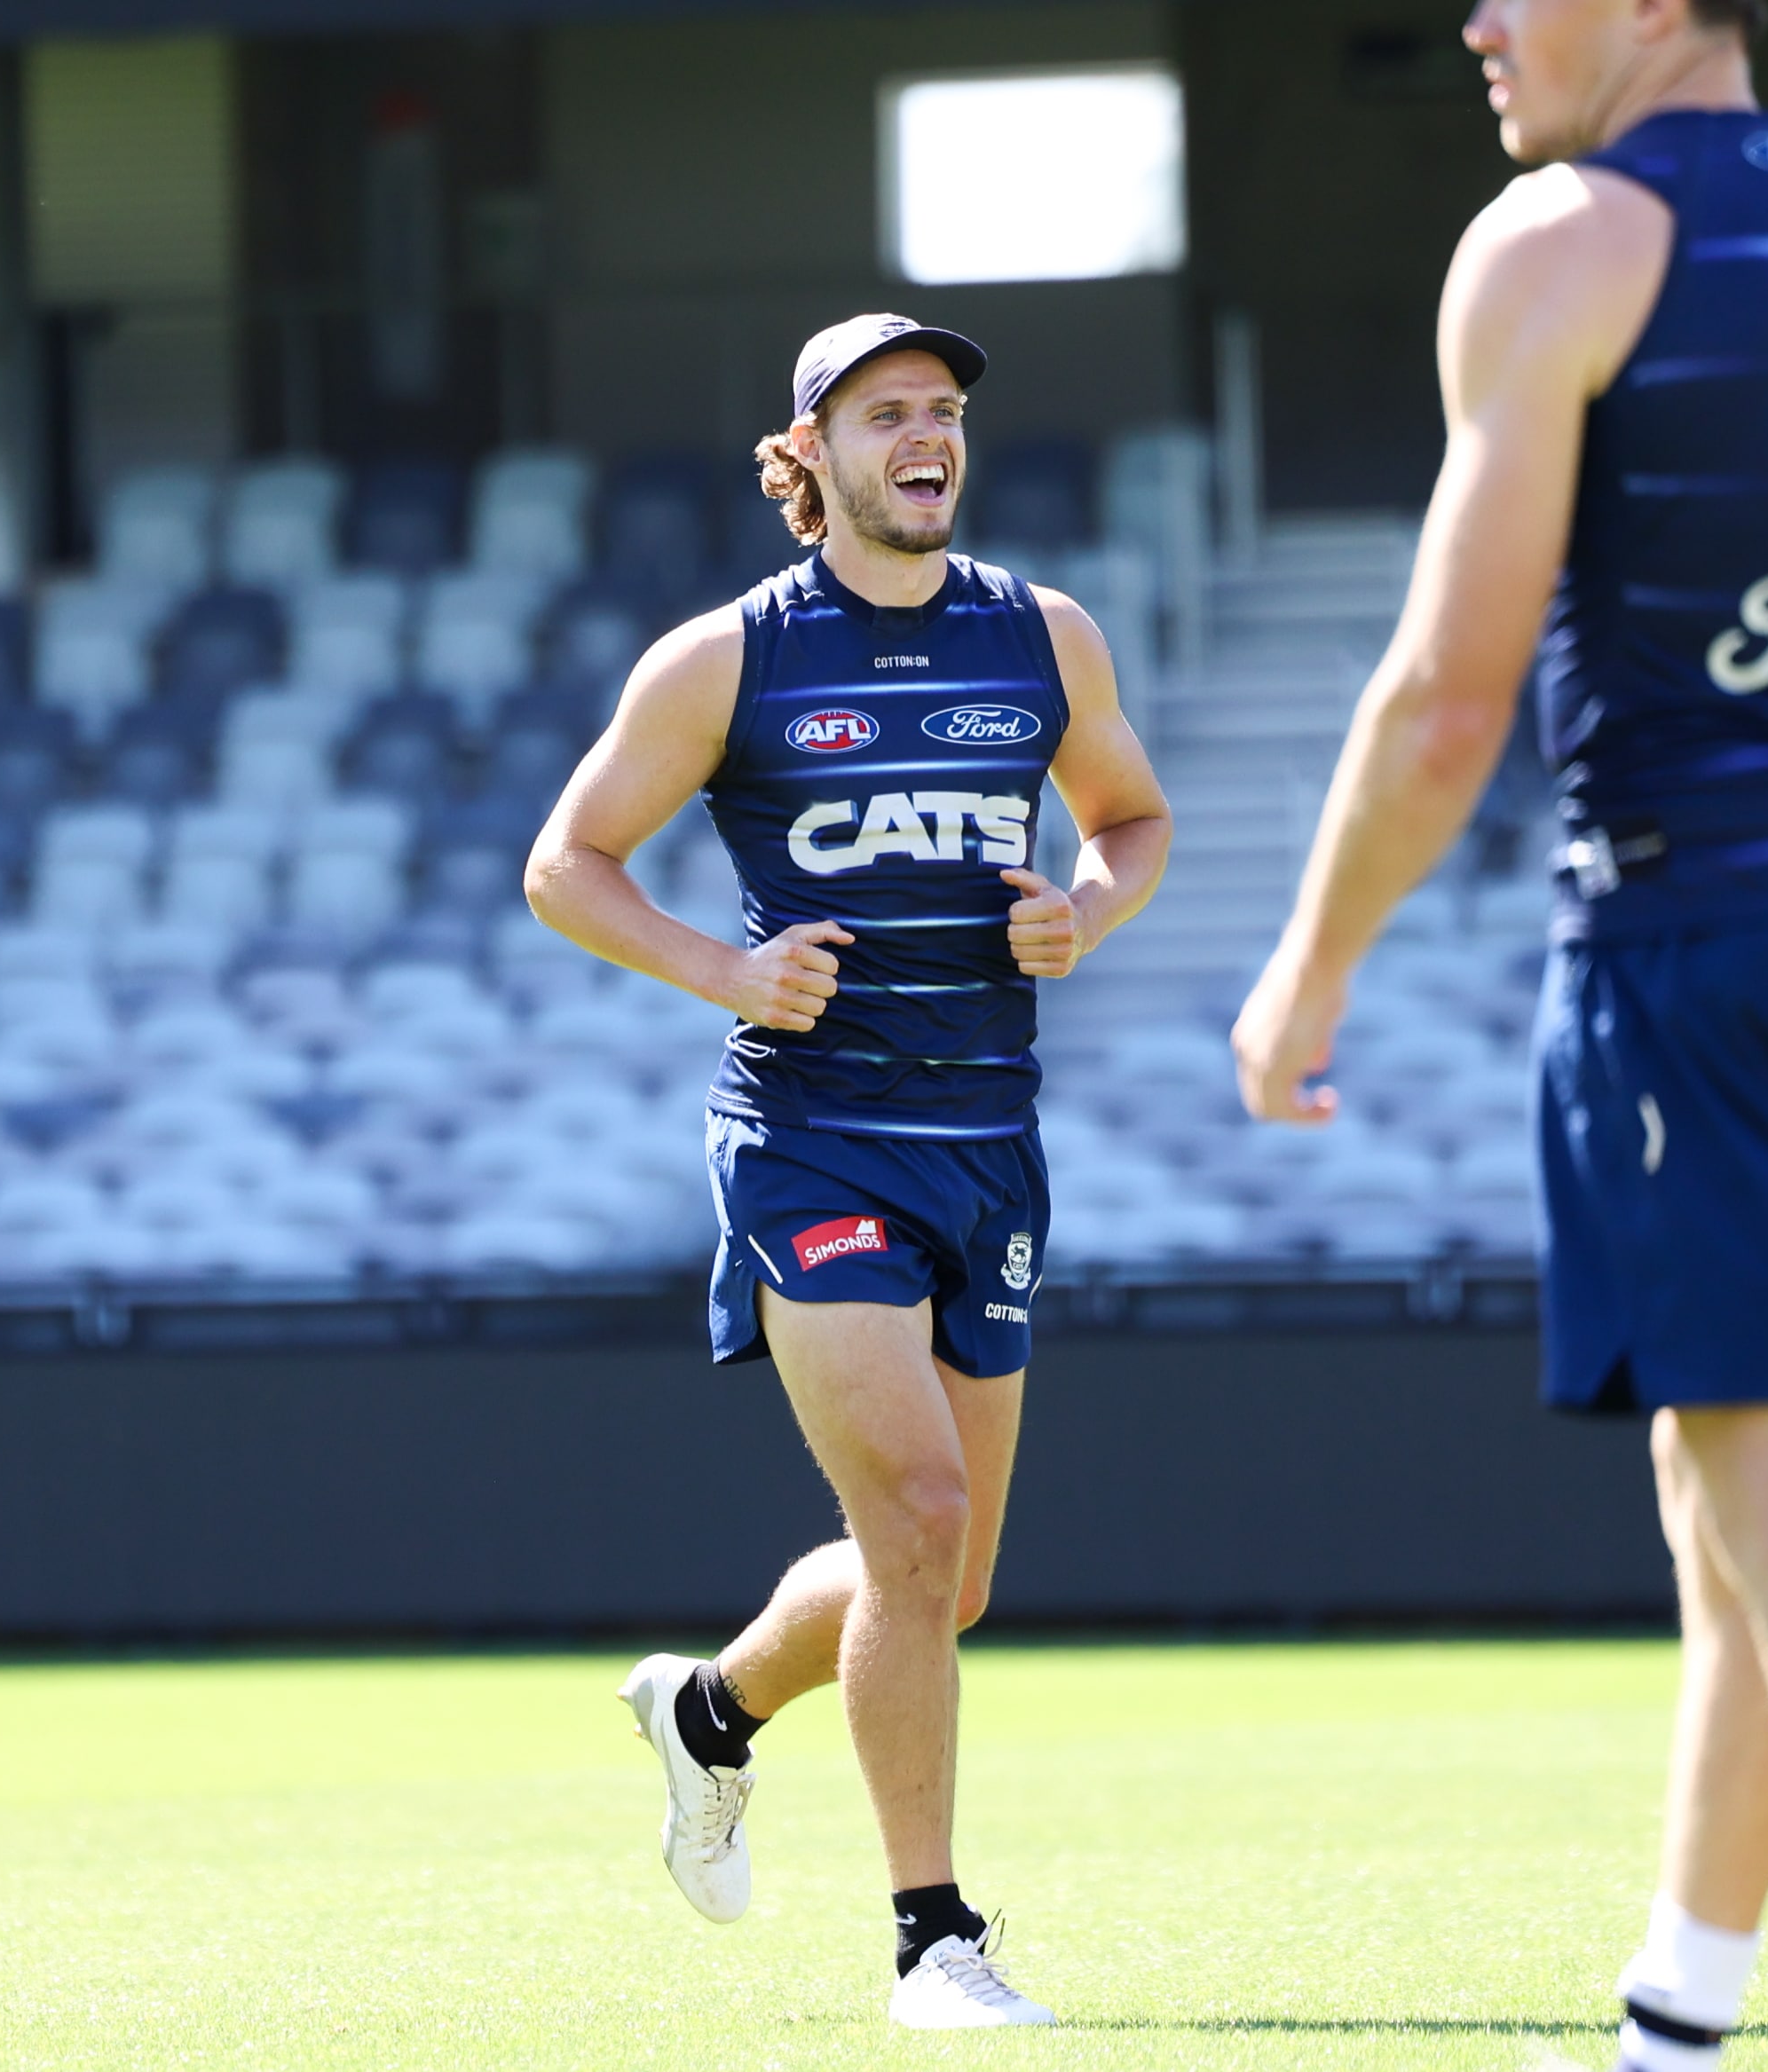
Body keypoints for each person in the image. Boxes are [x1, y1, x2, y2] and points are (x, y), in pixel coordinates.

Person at [1229, 4, 1768, 2069]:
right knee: (1733, 1514)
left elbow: (1450, 699)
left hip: (1700, 929)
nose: (1478, 19)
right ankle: (1673, 2027)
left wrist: (1307, 968)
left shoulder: (1559, 244)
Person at [526, 312, 1172, 2029]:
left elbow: (1133, 821)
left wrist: (1086, 910)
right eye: (888, 413)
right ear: (805, 453)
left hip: (990, 1143)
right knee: (922, 1521)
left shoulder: (1045, 635)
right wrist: (726, 971)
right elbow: (565, 866)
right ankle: (932, 1944)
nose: (927, 438)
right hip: (809, 1137)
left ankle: (711, 1715)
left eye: (945, 411)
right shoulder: (723, 660)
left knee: (945, 1583)